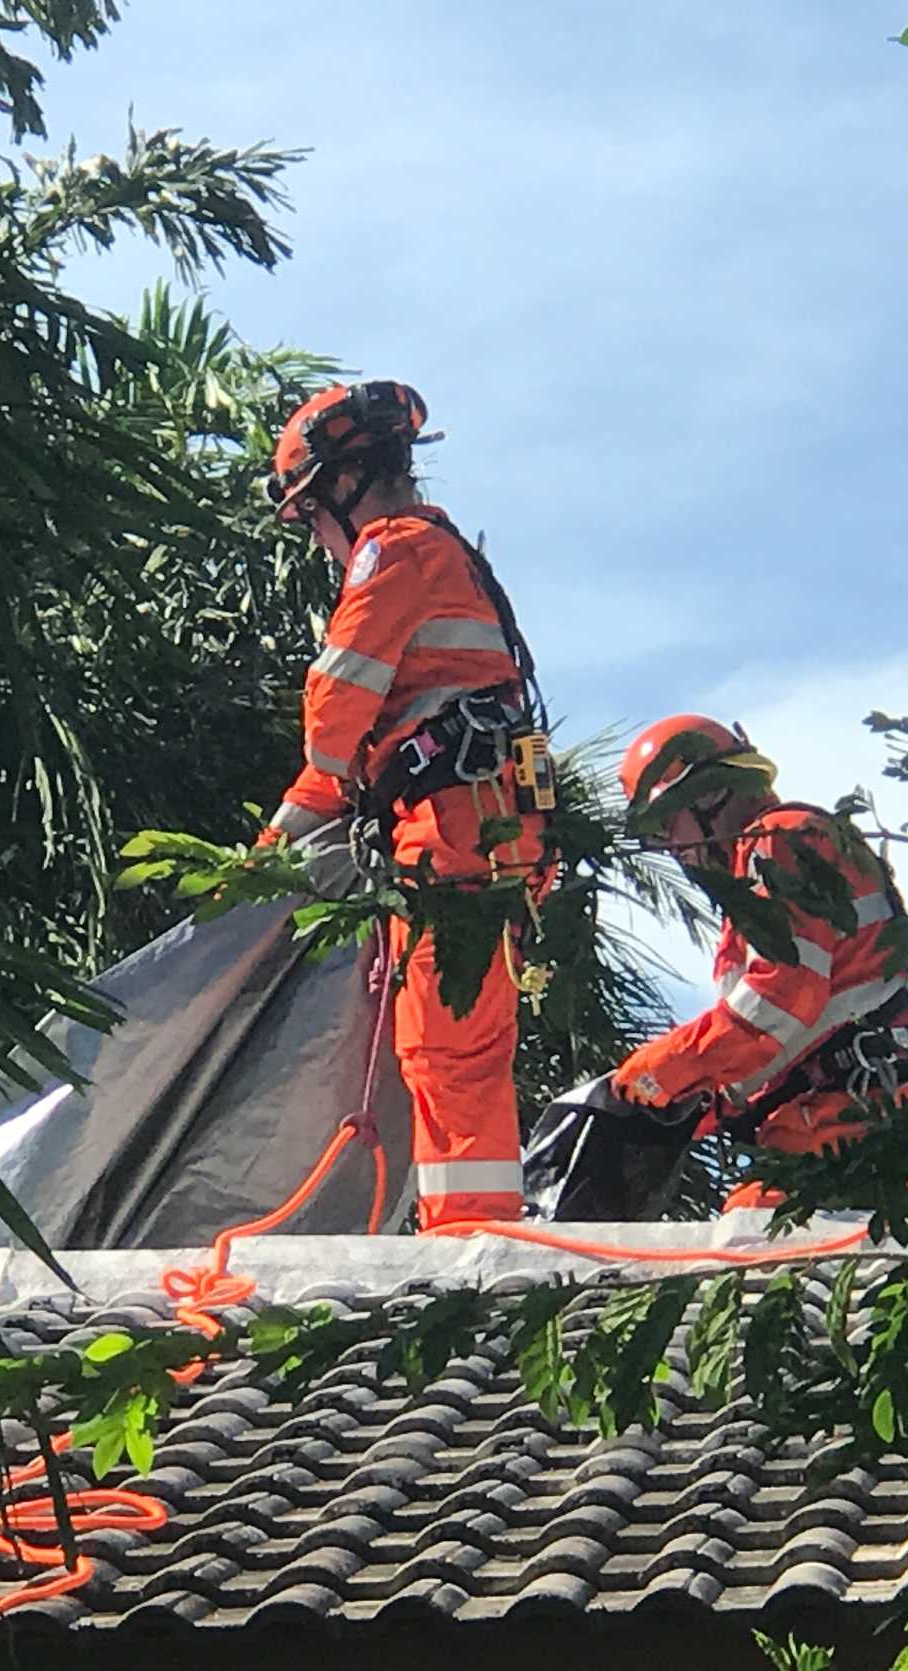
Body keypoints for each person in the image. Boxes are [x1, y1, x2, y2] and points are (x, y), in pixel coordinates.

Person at [255, 380, 551, 1227]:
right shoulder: (448, 557)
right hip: (481, 821)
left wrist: (277, 841)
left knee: (444, 1048)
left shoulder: (393, 552)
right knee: (456, 1047)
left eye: (312, 515)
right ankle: (472, 1223)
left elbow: (334, 720)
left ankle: (471, 1242)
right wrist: (274, 844)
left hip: (453, 829)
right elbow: (334, 778)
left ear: (344, 487)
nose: (317, 537)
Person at [611, 714, 908, 1208]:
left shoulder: (780, 838)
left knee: (750, 1249)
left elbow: (781, 997)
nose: (674, 852)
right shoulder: (754, 891)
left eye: (667, 829)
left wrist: (659, 1070)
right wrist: (696, 1101)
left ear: (708, 796)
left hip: (840, 1124)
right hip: (857, 1120)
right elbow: (768, 1043)